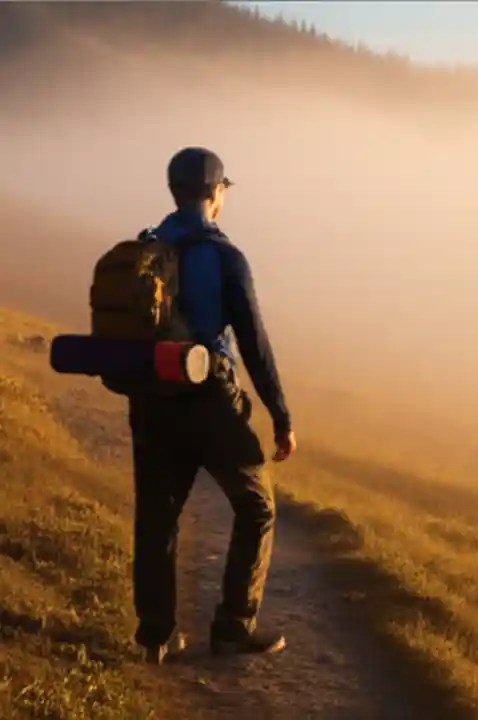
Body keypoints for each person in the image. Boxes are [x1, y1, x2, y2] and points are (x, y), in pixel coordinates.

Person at [130, 147, 297, 664]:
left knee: (158, 516)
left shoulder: (146, 249)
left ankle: (156, 636)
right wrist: (281, 416)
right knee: (257, 507)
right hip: (209, 399)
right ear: (216, 193)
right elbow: (253, 342)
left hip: (152, 397)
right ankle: (232, 627)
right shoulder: (225, 257)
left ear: (174, 191)